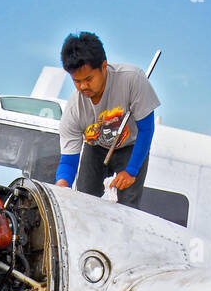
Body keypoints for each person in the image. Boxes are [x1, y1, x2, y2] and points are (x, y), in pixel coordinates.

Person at [54, 31, 160, 208]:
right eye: (77, 81)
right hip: (95, 147)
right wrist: (62, 184)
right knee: (84, 200)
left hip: (130, 146)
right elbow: (68, 160)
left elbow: (146, 130)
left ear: (104, 66)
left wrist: (131, 171)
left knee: (128, 204)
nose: (83, 86)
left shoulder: (133, 80)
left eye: (88, 79)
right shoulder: (73, 110)